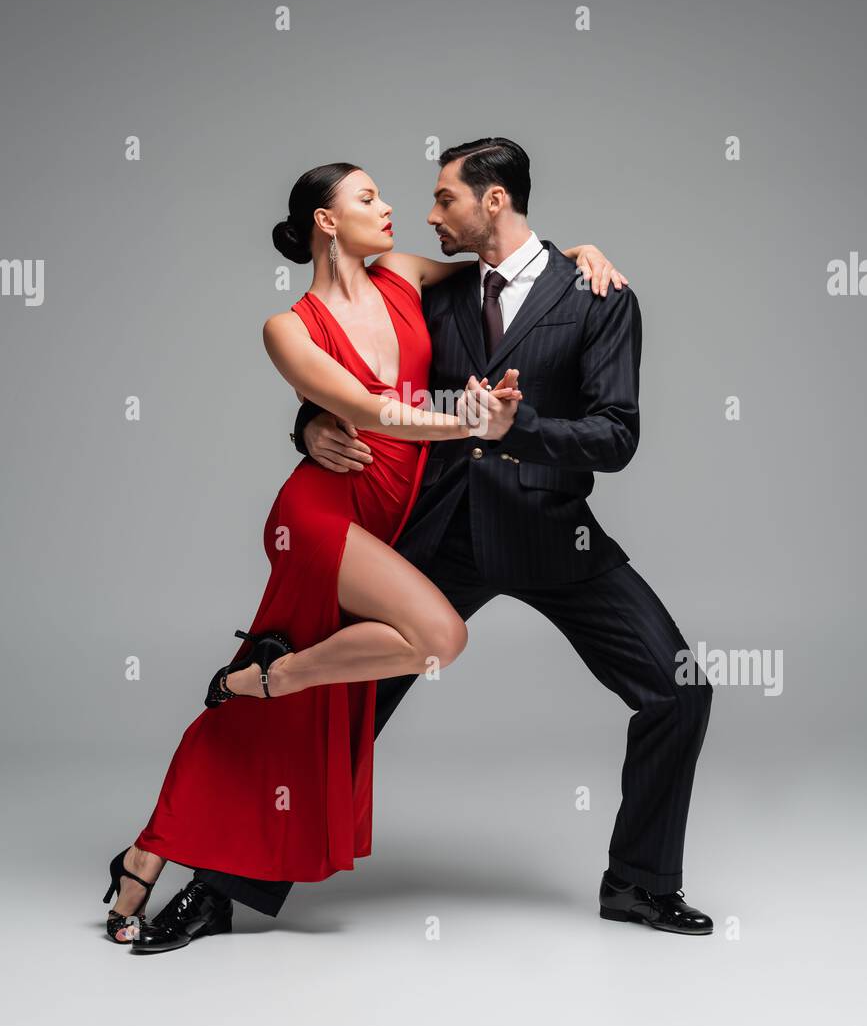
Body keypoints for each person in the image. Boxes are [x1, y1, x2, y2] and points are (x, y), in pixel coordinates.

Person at [103, 157, 615, 953]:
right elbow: (373, 409)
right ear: (326, 221)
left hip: (390, 523)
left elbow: (510, 263)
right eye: (369, 198)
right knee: (439, 639)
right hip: (323, 515)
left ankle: (146, 852)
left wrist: (581, 254)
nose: (393, 210)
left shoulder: (403, 274)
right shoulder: (288, 326)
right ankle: (269, 676)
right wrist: (473, 424)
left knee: (277, 720)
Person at [228, 137, 716, 936]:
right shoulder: (428, 291)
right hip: (440, 536)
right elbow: (362, 374)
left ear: (493, 200)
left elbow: (615, 436)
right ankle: (223, 885)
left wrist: (519, 429)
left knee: (680, 689)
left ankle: (638, 884)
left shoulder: (598, 298)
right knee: (336, 703)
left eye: (444, 198)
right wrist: (310, 425)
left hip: (554, 537)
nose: (426, 214)